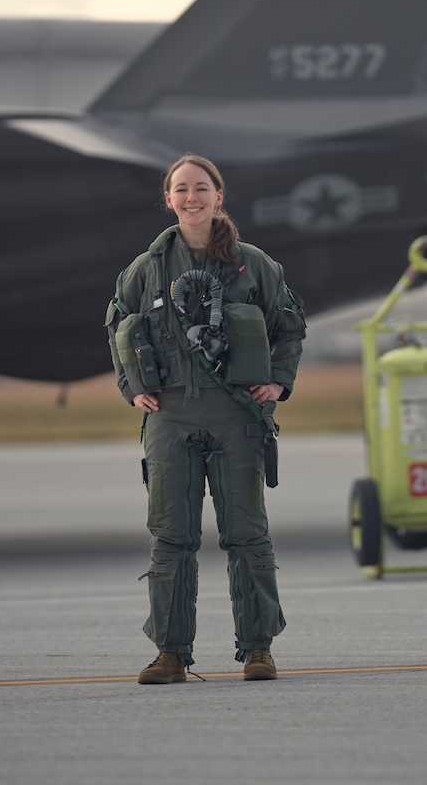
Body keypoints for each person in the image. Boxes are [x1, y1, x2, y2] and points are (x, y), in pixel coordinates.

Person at [105, 153, 305, 684]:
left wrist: (279, 381)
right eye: (181, 190)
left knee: (246, 536)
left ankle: (258, 648)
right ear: (168, 200)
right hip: (170, 419)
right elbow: (118, 325)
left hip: (236, 418)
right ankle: (171, 653)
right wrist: (132, 388)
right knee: (171, 539)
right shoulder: (145, 269)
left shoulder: (253, 264)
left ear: (219, 196)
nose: (191, 198)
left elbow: (288, 326)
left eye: (201, 188)